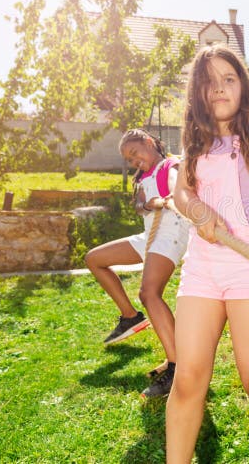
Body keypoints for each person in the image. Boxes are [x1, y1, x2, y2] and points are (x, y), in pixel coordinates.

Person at [165, 44, 249, 463]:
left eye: (229, 78)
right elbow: (180, 190)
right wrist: (196, 208)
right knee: (187, 378)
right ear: (198, 93)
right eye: (210, 82)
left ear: (243, 85)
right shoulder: (195, 140)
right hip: (203, 265)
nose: (220, 88)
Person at [85, 129, 189, 398]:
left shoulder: (170, 166)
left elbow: (180, 194)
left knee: (149, 293)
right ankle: (130, 317)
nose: (134, 161)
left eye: (135, 153)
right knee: (94, 259)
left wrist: (162, 202)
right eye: (129, 160)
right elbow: (140, 206)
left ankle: (178, 367)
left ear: (149, 142)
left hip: (172, 233)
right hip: (150, 236)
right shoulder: (143, 177)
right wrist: (146, 205)